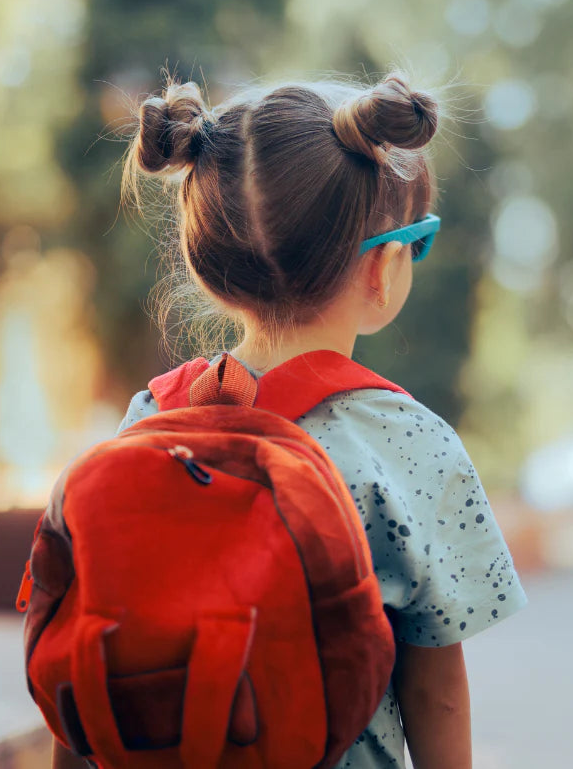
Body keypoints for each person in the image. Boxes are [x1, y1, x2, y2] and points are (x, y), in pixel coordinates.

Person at [52, 70, 527, 769]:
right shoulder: (409, 442)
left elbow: (87, 640)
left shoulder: (149, 417)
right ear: (382, 267)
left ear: (208, 266)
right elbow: (435, 689)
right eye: (416, 241)